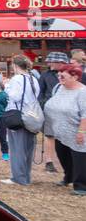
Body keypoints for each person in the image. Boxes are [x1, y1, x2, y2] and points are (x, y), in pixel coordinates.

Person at [43, 62, 86, 194]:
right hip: (59, 131)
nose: (59, 78)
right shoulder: (60, 87)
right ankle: (68, 177)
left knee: (79, 159)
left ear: (75, 77)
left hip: (77, 131)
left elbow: (85, 114)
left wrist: (81, 131)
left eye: (63, 76)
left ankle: (81, 186)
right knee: (63, 156)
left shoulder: (82, 92)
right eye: (59, 75)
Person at [1, 54, 40, 186]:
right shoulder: (33, 78)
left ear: (15, 66)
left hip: (18, 115)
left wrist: (6, 86)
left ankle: (18, 178)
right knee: (28, 148)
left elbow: (15, 96)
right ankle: (25, 176)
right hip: (32, 115)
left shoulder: (17, 78)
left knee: (17, 148)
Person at [41, 52, 68, 172]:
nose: (50, 63)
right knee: (49, 135)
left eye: (53, 61)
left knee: (66, 137)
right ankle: (49, 162)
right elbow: (40, 93)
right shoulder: (45, 75)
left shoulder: (73, 74)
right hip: (50, 110)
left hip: (68, 110)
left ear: (62, 63)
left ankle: (68, 165)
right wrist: (43, 105)